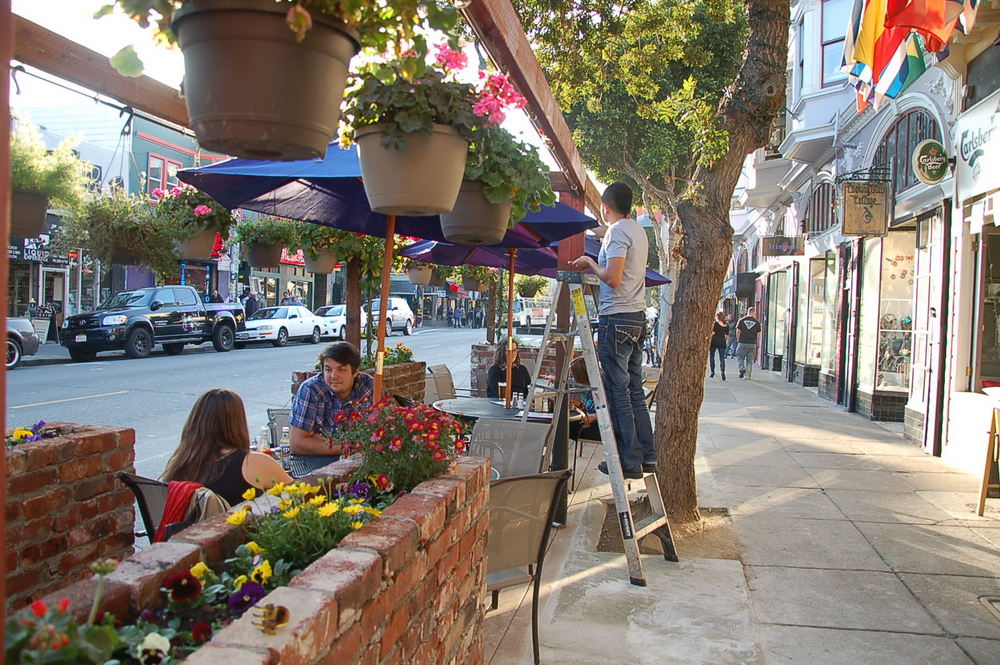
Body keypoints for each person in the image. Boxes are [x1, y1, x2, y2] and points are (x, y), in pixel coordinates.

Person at [571, 182, 655, 480]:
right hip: (636, 317)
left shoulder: (618, 232)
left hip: (617, 317)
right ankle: (647, 454)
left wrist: (591, 263)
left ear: (606, 207)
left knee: (618, 392)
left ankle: (628, 460)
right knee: (633, 390)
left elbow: (613, 277)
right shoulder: (638, 231)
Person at [161, 389, 292, 507]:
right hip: (237, 532)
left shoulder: (178, 464)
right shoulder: (251, 463)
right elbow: (300, 495)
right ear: (237, 422)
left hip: (188, 532)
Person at [290, 341, 375, 455]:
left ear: (355, 372)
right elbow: (297, 443)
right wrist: (350, 447)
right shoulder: (311, 389)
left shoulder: (369, 387)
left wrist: (321, 442)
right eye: (328, 369)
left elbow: (378, 436)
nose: (333, 376)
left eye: (341, 369)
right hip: (316, 461)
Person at [568, 357, 601, 443]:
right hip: (588, 420)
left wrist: (595, 417)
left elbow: (612, 412)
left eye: (573, 375)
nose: (573, 378)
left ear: (580, 375)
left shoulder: (600, 389)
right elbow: (569, 382)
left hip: (598, 427)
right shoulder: (585, 384)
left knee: (563, 426)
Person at [734, 307, 762, 379]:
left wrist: (738, 340)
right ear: (754, 313)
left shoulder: (741, 320)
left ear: (748, 312)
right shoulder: (757, 322)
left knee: (739, 356)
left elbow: (738, 331)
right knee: (749, 360)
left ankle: (742, 368)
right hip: (752, 343)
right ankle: (748, 375)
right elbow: (758, 334)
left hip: (742, 342)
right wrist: (757, 342)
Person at [709, 311, 728, 380]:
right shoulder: (726, 325)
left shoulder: (715, 324)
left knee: (712, 357)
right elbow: (727, 336)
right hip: (722, 342)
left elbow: (712, 333)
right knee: (722, 358)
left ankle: (712, 371)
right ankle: (722, 371)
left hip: (714, 342)